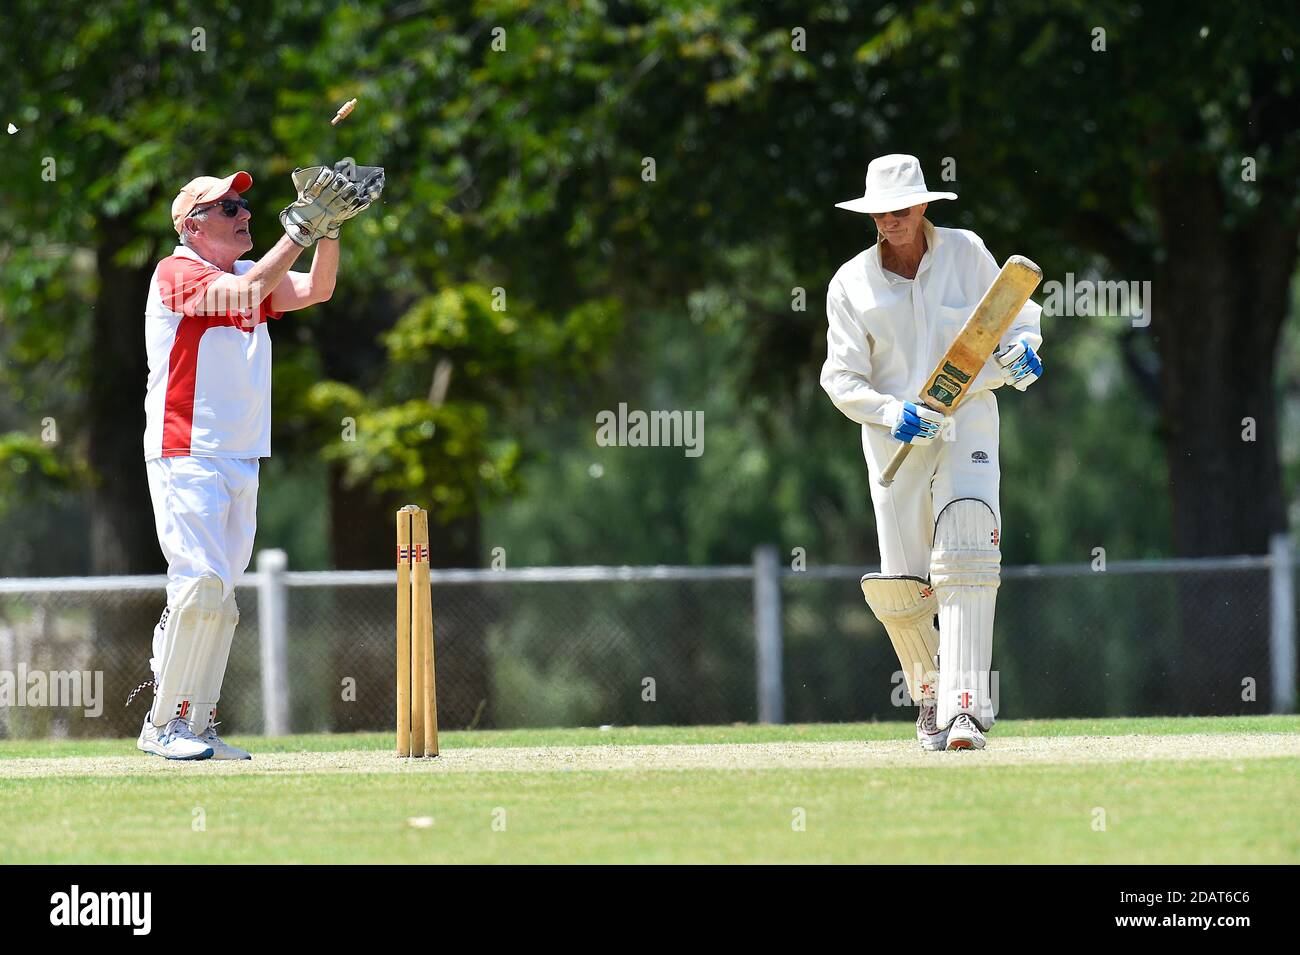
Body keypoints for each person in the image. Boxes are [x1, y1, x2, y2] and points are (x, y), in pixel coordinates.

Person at [134, 162, 383, 759]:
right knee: (199, 588)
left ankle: (196, 727)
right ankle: (162, 724)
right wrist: (301, 228)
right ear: (193, 226)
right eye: (229, 209)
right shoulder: (176, 273)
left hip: (240, 454)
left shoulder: (248, 270)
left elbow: (316, 290)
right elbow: (247, 294)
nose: (244, 214)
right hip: (185, 448)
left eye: (243, 208)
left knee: (222, 601)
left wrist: (330, 229)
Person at [821, 154, 1043, 751]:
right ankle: (928, 700)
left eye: (898, 212)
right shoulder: (850, 284)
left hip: (967, 413)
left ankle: (965, 708)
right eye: (879, 215)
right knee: (907, 577)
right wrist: (896, 413)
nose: (888, 223)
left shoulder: (967, 252)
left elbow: (1015, 319)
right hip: (894, 434)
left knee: (969, 537)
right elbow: (840, 381)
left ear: (923, 207)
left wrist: (1021, 354)